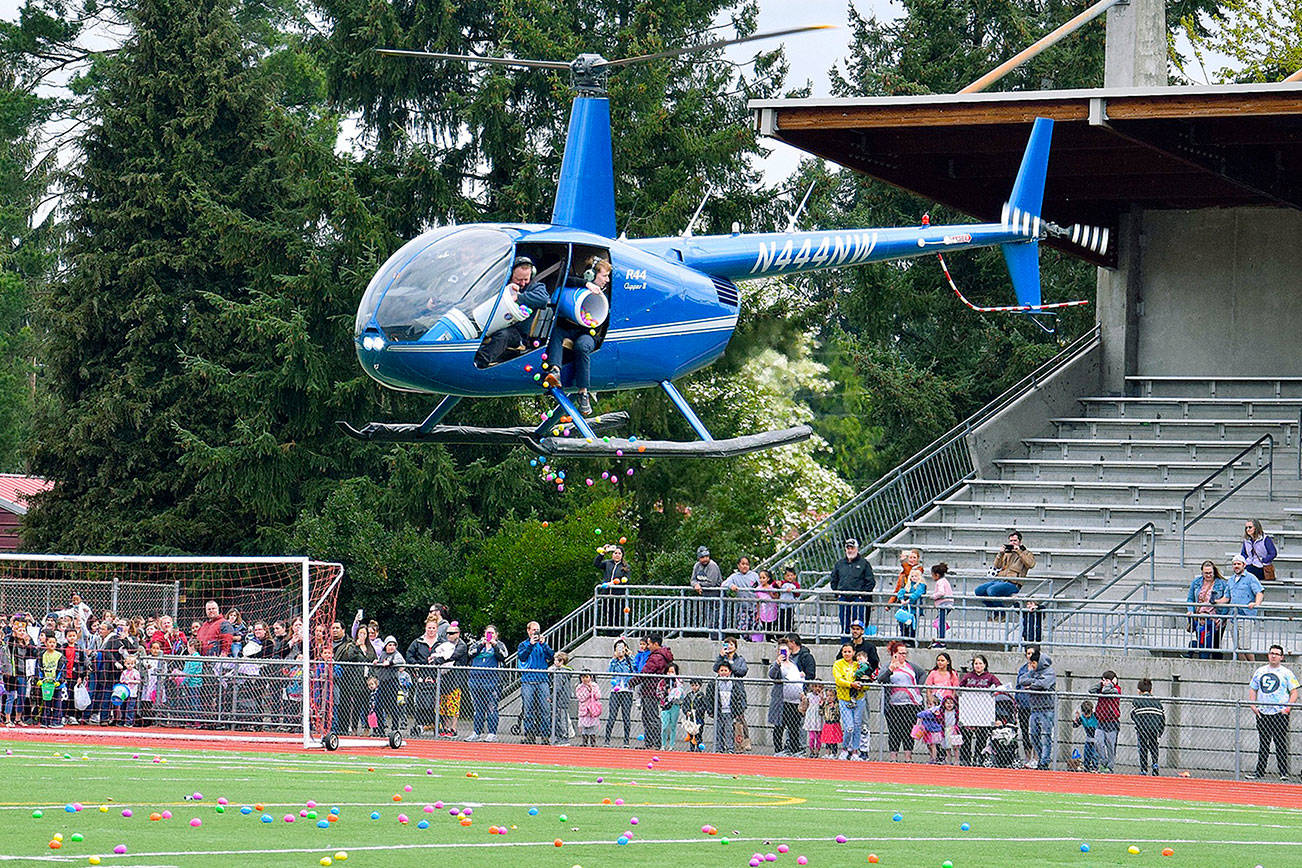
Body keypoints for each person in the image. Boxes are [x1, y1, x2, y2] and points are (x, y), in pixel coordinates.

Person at [543, 257, 608, 415]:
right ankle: (555, 370)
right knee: (556, 333)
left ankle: (583, 392)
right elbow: (565, 280)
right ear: (592, 275)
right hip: (568, 327)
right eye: (604, 276)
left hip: (588, 333)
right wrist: (586, 284)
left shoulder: (606, 294)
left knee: (582, 346)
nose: (607, 280)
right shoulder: (580, 283)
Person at [474, 257, 552, 368]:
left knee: (503, 335)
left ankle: (479, 362)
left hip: (517, 334)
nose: (523, 283)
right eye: (518, 279)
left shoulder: (535, 287)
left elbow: (543, 299)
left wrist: (519, 298)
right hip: (490, 324)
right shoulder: (501, 284)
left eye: (526, 279)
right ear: (510, 274)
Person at [1247, 644, 1298, 781]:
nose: (1273, 656)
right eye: (1271, 653)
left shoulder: (1286, 673)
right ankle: (1259, 772)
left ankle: (1283, 772)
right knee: (1263, 744)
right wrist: (1253, 705)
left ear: (1281, 657)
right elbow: (1253, 689)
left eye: (1276, 654)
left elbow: (1294, 692)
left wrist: (1287, 709)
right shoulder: (1260, 671)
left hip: (1279, 714)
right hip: (1263, 713)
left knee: (1280, 743)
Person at [876, 640, 924, 762]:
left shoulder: (911, 666)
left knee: (908, 731)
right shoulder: (887, 666)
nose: (903, 656)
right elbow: (880, 679)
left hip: (911, 703)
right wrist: (890, 670)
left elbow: (922, 674)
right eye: (901, 653)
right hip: (893, 704)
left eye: (905, 653)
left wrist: (918, 689)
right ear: (894, 654)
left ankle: (908, 757)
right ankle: (893, 756)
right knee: (894, 731)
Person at [1016, 646, 1056, 770]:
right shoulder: (1033, 672)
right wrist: (1035, 681)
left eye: (1033, 663)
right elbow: (1022, 680)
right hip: (1034, 709)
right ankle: (1040, 758)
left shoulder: (1049, 672)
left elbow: (1044, 684)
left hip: (1047, 709)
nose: (1032, 665)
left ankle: (1044, 761)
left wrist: (1032, 685)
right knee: (1033, 735)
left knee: (1046, 736)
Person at [466, 624, 508, 742]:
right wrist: (482, 644)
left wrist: (494, 645)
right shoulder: (478, 644)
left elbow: (503, 656)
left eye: (492, 633)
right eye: (487, 632)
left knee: (491, 707)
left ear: (496, 635)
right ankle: (476, 732)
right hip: (475, 680)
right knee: (477, 708)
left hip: (492, 681)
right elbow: (471, 653)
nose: (489, 635)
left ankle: (492, 733)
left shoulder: (499, 645)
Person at [958, 654, 1001, 766]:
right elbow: (959, 688)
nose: (978, 666)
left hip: (983, 711)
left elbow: (999, 686)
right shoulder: (968, 676)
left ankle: (979, 759)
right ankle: (965, 759)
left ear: (985, 665)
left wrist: (994, 693)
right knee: (966, 736)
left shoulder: (990, 677)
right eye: (976, 663)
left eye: (980, 663)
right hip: (969, 710)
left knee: (981, 737)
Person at [976, 531, 1036, 610]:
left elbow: (1031, 564)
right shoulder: (1007, 552)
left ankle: (1001, 613)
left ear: (1020, 542)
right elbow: (997, 566)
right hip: (1000, 580)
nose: (1012, 543)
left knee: (991, 590)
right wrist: (1000, 554)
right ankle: (994, 610)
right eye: (1011, 541)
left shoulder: (1027, 553)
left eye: (1015, 541)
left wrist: (1019, 552)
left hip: (1013, 583)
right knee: (979, 591)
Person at [516, 621, 554, 744]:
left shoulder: (542, 644)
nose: (535, 632)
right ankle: (529, 735)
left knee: (545, 710)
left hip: (542, 681)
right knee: (528, 710)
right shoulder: (523, 644)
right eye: (533, 630)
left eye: (537, 630)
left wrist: (544, 644)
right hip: (528, 681)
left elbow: (551, 656)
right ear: (528, 631)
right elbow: (522, 657)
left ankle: (545, 736)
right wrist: (531, 645)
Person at [830, 539, 875, 639]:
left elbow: (870, 582)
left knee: (858, 625)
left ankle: (858, 644)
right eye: (848, 548)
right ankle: (845, 644)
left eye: (852, 548)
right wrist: (838, 593)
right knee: (844, 624)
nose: (850, 550)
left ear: (857, 549)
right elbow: (833, 580)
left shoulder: (864, 563)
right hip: (843, 598)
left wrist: (862, 595)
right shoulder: (839, 564)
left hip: (858, 599)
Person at [332, 621, 370, 736]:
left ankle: (360, 728)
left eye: (337, 628)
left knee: (361, 705)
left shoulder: (351, 644)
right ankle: (341, 728)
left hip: (358, 680)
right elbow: (350, 656)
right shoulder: (350, 645)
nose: (335, 630)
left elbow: (369, 658)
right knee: (341, 704)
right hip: (344, 679)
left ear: (343, 630)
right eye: (333, 628)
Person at [636, 633, 673, 749]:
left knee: (652, 717)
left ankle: (657, 743)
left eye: (649, 644)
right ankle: (649, 743)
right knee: (646, 717)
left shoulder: (657, 657)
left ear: (655, 644)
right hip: (650, 689)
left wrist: (631, 682)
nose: (647, 646)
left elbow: (646, 671)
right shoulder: (658, 655)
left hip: (651, 690)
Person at [1186, 560, 1229, 659]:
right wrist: (1191, 610)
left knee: (1215, 645)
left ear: (1214, 572)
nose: (1208, 575)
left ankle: (1215, 662)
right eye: (1206, 573)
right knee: (1202, 642)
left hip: (1216, 618)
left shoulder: (1222, 583)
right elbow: (1190, 598)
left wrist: (1222, 617)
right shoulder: (1196, 582)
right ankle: (1199, 654)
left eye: (1210, 573)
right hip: (1200, 617)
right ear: (1202, 572)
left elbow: (1227, 601)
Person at [1225, 555, 1265, 661]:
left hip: (1246, 616)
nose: (1236, 566)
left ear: (1244, 565)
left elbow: (1259, 592)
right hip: (1233, 617)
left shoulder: (1250, 578)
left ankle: (1253, 666)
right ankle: (1243, 667)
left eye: (1238, 564)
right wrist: (1215, 601)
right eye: (1234, 564)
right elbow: (1226, 597)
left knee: (1245, 647)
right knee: (1237, 647)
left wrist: (1256, 603)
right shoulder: (1230, 580)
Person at [768, 640, 804, 756]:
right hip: (782, 701)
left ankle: (794, 748)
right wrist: (777, 663)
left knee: (794, 727)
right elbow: (772, 675)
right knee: (779, 726)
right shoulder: (777, 665)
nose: (784, 653)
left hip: (794, 701)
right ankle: (778, 749)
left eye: (786, 651)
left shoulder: (793, 664)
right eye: (781, 651)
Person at [432, 624, 469, 738]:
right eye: (447, 633)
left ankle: (453, 728)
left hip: (456, 679)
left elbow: (452, 656)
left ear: (458, 634)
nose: (449, 635)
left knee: (453, 704)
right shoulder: (445, 644)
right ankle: (445, 727)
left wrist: (438, 659)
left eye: (452, 633)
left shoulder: (461, 645)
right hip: (445, 678)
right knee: (443, 705)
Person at [704, 660, 747, 753]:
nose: (723, 672)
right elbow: (709, 698)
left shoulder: (734, 683)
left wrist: (738, 711)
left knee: (729, 730)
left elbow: (739, 697)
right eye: (722, 670)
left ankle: (730, 748)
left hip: (729, 711)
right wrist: (710, 710)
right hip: (718, 711)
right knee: (718, 730)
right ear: (718, 672)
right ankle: (718, 748)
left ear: (730, 672)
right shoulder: (714, 683)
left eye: (725, 670)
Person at [1130, 678, 1166, 776]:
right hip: (1154, 728)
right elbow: (1162, 717)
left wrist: (1138, 724)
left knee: (1143, 748)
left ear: (1139, 690)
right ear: (1151, 690)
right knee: (1154, 746)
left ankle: (1143, 769)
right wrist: (1160, 731)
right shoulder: (1157, 701)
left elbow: (1133, 714)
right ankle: (1155, 764)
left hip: (1142, 728)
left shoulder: (1137, 701)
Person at [1089, 669, 1121, 774]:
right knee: (1098, 742)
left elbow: (1106, 691)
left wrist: (1111, 684)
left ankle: (1110, 767)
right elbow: (1091, 690)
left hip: (1112, 722)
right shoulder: (1102, 688)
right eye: (1103, 680)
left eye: (1107, 680)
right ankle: (1103, 762)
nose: (1104, 682)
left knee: (1110, 746)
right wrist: (1100, 684)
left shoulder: (1116, 689)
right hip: (1101, 721)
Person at [594, 545, 630, 635]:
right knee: (607, 614)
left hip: (618, 595)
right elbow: (596, 564)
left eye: (619, 553)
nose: (617, 555)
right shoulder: (608, 563)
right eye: (615, 553)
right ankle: (608, 632)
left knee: (617, 614)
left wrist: (614, 583)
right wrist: (602, 553)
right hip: (606, 594)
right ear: (612, 554)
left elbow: (626, 580)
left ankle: (617, 633)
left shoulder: (625, 567)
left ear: (622, 555)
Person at [605, 638, 635, 746]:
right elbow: (609, 673)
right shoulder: (614, 661)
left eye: (622, 647)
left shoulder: (629, 660)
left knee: (626, 716)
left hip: (627, 691)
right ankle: (607, 740)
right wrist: (614, 659)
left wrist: (630, 656)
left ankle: (626, 741)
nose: (620, 649)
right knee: (612, 716)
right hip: (615, 691)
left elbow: (635, 671)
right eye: (618, 647)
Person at [690, 546, 724, 639]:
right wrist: (695, 585)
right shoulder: (697, 566)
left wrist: (699, 585)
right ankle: (711, 638)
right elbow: (692, 580)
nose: (705, 559)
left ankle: (717, 640)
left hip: (717, 597)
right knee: (708, 620)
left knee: (716, 621)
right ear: (698, 558)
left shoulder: (712, 565)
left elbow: (711, 583)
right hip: (706, 598)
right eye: (702, 557)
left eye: (707, 556)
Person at [722, 557, 759, 635]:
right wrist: (731, 585)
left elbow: (762, 586)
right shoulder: (734, 576)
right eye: (743, 564)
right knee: (743, 628)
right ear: (738, 565)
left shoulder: (754, 575)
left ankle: (753, 640)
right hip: (742, 608)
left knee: (755, 628)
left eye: (747, 564)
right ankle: (745, 639)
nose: (745, 566)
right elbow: (724, 583)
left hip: (755, 607)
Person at [549, 651, 575, 746]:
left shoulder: (560, 672)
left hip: (560, 699)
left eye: (556, 660)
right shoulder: (564, 671)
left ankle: (563, 738)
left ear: (561, 661)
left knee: (561, 719)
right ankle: (562, 737)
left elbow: (558, 686)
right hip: (563, 698)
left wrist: (551, 697)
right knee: (561, 718)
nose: (554, 662)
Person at [1240, 519, 1278, 583]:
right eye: (1246, 528)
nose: (1247, 529)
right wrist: (1246, 560)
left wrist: (1264, 560)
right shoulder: (1246, 540)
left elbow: (1273, 553)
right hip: (1249, 565)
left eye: (1250, 527)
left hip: (1261, 566)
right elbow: (1243, 553)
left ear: (1256, 528)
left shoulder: (1265, 539)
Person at [895, 567, 925, 645]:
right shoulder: (908, 585)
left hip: (914, 610)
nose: (914, 578)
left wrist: (909, 600)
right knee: (903, 625)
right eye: (912, 576)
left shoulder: (921, 585)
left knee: (912, 627)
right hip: (907, 610)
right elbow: (901, 591)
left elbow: (917, 593)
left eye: (916, 576)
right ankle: (904, 640)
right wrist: (901, 599)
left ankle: (911, 641)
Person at [659, 662, 684, 750]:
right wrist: (666, 693)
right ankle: (663, 744)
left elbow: (681, 693)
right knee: (664, 726)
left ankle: (671, 745)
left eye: (672, 672)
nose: (670, 674)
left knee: (673, 726)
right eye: (668, 672)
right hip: (665, 706)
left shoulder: (678, 681)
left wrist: (675, 695)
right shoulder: (662, 682)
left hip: (675, 705)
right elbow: (658, 693)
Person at [576, 670, 603, 747]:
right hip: (584, 709)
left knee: (592, 726)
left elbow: (598, 696)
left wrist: (592, 690)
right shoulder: (579, 687)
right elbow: (581, 698)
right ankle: (584, 741)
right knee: (584, 726)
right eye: (583, 677)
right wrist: (589, 692)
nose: (585, 679)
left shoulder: (595, 685)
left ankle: (593, 742)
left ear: (590, 677)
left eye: (587, 677)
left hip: (592, 709)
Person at [930, 563, 953, 648]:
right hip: (947, 603)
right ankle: (939, 640)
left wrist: (933, 596)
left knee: (940, 623)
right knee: (938, 622)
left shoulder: (940, 582)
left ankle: (941, 642)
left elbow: (941, 592)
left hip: (944, 604)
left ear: (937, 575)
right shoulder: (944, 581)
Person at [682, 679, 709, 752]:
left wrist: (696, 711)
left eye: (696, 685)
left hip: (698, 718)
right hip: (690, 719)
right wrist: (687, 711)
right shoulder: (688, 695)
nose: (694, 687)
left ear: (700, 686)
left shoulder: (701, 696)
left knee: (698, 733)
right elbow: (684, 705)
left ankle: (699, 748)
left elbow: (704, 706)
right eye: (692, 685)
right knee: (691, 733)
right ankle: (692, 748)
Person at [1072, 700, 1099, 772]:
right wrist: (1076, 719)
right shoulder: (1082, 718)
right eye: (1085, 713)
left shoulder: (1095, 716)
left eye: (1088, 713)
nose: (1087, 716)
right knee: (1086, 754)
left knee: (1094, 754)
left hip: (1096, 739)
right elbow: (1075, 725)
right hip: (1088, 739)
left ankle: (1095, 767)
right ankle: (1086, 766)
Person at [801, 682, 825, 758]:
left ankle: (817, 751)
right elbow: (805, 704)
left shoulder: (822, 696)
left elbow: (824, 705)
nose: (817, 688)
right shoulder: (809, 695)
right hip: (811, 717)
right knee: (812, 737)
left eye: (819, 687)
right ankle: (812, 750)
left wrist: (822, 698)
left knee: (819, 736)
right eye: (815, 686)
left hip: (818, 716)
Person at [776, 567, 800, 636]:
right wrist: (777, 583)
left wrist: (793, 590)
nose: (790, 577)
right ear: (785, 576)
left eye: (791, 575)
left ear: (795, 576)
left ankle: (789, 634)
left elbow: (798, 594)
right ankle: (780, 635)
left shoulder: (796, 584)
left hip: (790, 606)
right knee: (781, 620)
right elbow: (774, 585)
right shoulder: (783, 583)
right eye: (788, 575)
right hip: (782, 606)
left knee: (789, 620)